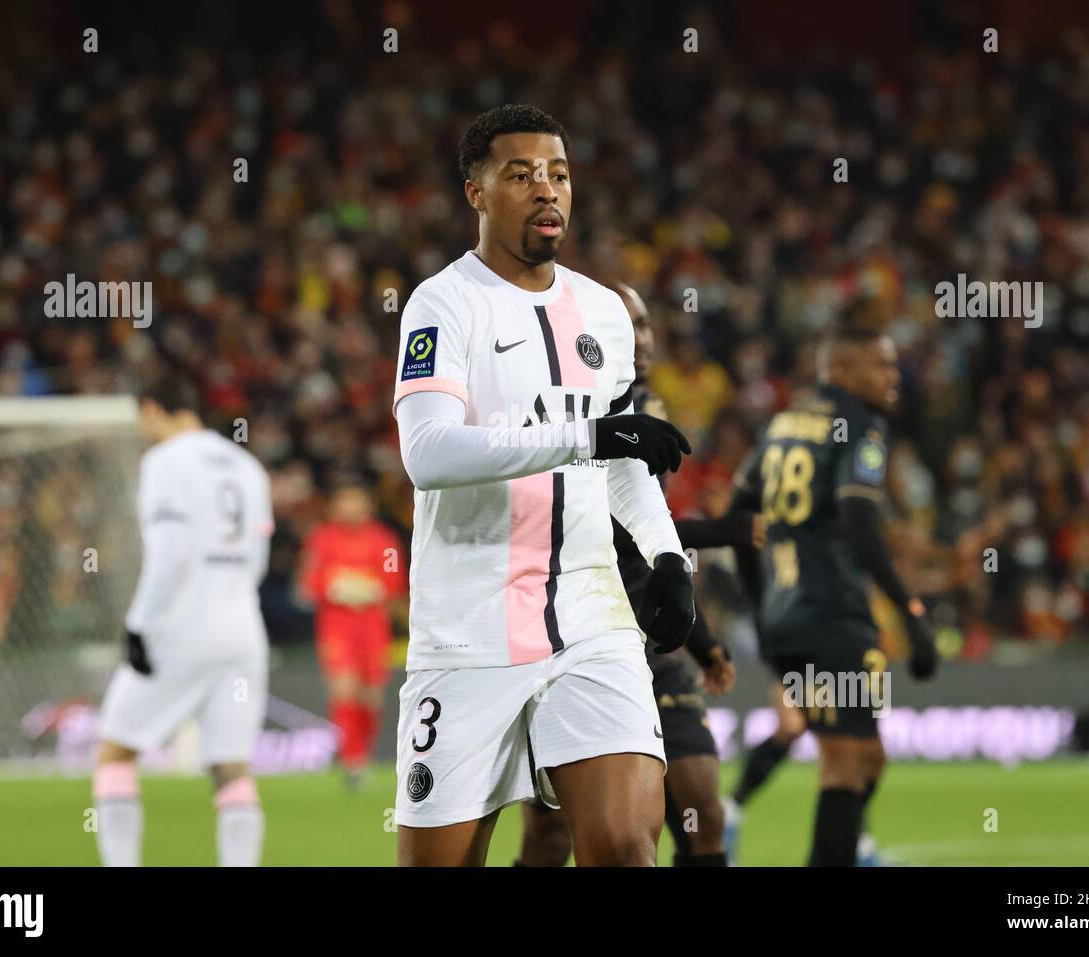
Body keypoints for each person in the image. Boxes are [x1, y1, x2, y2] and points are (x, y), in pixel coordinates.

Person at [392, 105, 695, 866]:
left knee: (625, 847)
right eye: (520, 174)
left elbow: (623, 456)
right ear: (476, 191)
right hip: (470, 631)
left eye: (558, 174)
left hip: (592, 621)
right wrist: (584, 434)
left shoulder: (603, 311)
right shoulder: (442, 303)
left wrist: (666, 553)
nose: (545, 189)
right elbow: (427, 451)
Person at [515, 282, 762, 867]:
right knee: (553, 836)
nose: (641, 337)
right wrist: (718, 535)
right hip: (573, 632)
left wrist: (694, 636)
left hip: (653, 638)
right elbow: (611, 526)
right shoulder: (569, 406)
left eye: (646, 325)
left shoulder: (647, 406)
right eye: (628, 324)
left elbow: (651, 531)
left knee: (703, 815)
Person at [729, 324, 939, 866]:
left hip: (786, 618)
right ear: (841, 370)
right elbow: (859, 519)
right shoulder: (860, 425)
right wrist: (909, 608)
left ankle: (851, 849)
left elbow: (738, 512)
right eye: (881, 366)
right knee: (845, 762)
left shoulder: (783, 423)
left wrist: (761, 607)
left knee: (866, 757)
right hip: (832, 615)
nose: (894, 378)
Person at [93, 375, 273, 867]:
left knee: (114, 753)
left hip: (181, 626)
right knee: (231, 767)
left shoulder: (164, 463)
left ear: (152, 409)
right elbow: (258, 558)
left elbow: (171, 555)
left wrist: (139, 624)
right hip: (243, 629)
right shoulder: (247, 466)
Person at [297, 478, 406, 787]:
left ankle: (364, 754)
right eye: (345, 502)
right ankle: (351, 759)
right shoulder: (322, 539)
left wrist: (372, 588)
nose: (351, 509)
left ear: (367, 506)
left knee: (371, 697)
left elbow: (394, 581)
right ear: (335, 507)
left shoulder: (383, 539)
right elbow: (309, 582)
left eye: (356, 502)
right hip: (337, 625)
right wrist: (334, 587)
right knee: (344, 689)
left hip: (373, 626)